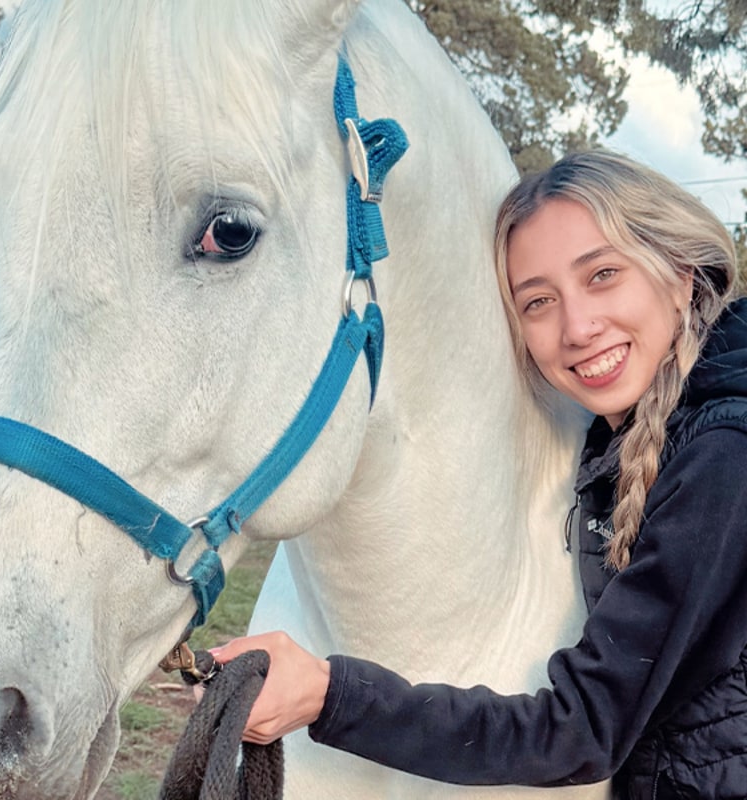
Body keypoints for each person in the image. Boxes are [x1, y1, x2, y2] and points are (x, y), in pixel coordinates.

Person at [208, 150, 747, 798]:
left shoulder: (724, 454)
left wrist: (329, 697)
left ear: (681, 274)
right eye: (538, 301)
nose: (577, 326)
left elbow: (582, 731)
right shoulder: (625, 439)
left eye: (603, 274)